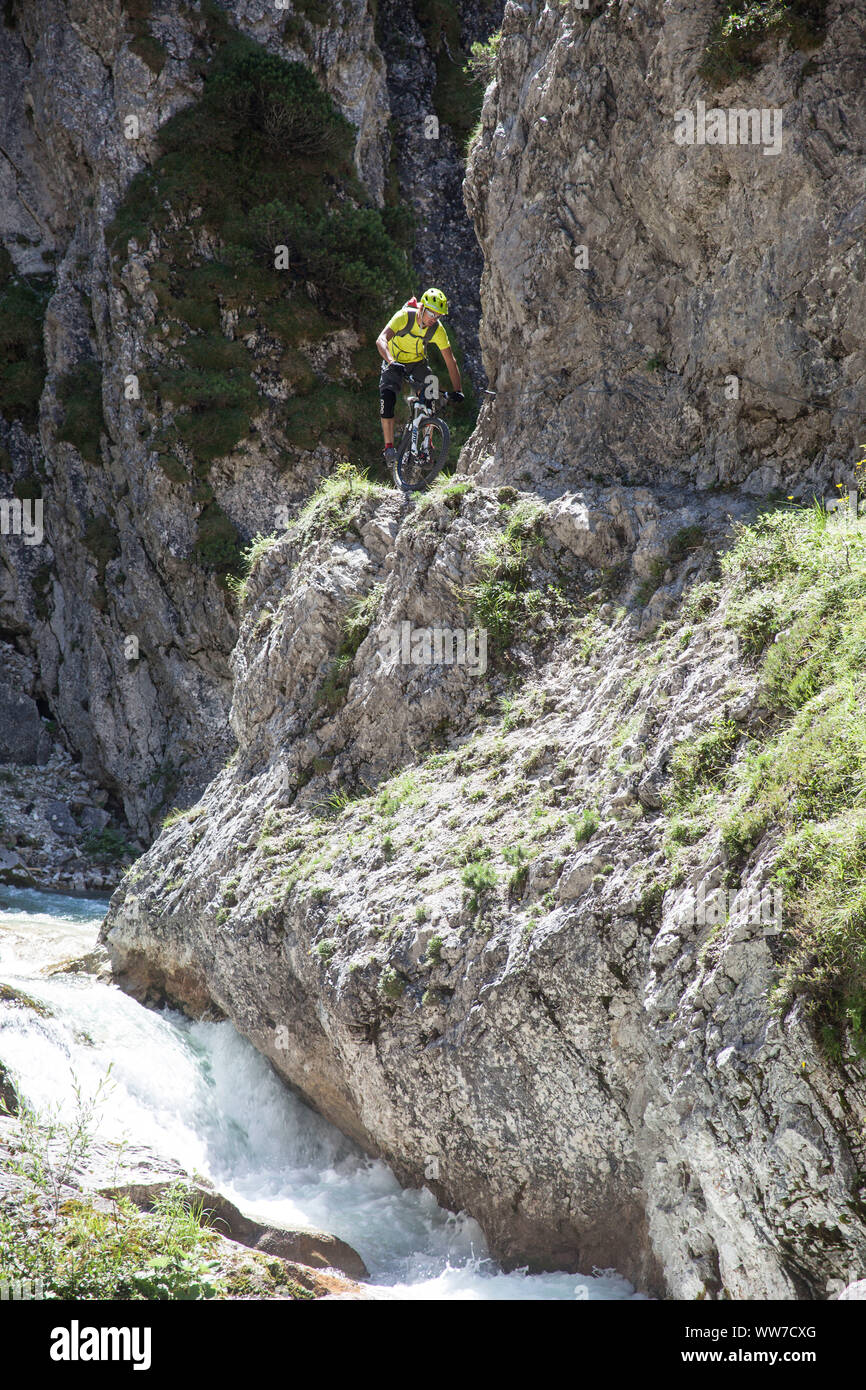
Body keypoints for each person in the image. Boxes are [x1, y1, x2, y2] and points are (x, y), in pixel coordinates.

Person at [376, 287, 464, 474]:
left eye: (438, 315)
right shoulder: (404, 316)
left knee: (431, 388)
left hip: (417, 363)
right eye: (431, 313)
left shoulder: (437, 330)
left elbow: (450, 360)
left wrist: (458, 390)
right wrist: (391, 362)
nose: (434, 318)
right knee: (387, 397)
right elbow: (381, 340)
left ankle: (426, 443)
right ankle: (389, 447)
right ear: (422, 308)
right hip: (394, 360)